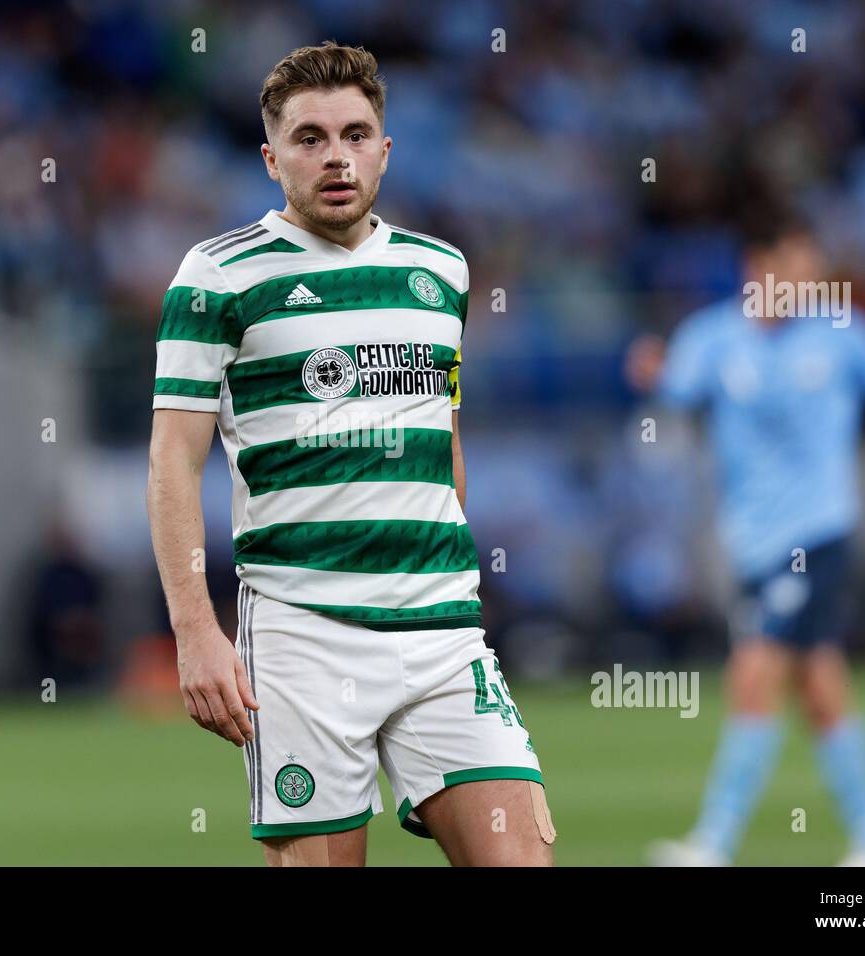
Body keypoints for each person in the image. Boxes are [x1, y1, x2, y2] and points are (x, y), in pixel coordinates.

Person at [146, 42, 553, 867]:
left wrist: (458, 580)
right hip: (304, 633)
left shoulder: (439, 271)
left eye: (356, 133)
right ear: (271, 157)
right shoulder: (217, 278)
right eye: (309, 138)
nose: (337, 155)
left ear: (385, 149)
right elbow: (171, 464)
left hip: (441, 632)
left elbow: (443, 442)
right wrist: (195, 631)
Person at [628, 215, 865, 866]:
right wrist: (649, 370)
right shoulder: (713, 338)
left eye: (813, 268)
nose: (810, 281)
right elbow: (672, 388)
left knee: (755, 675)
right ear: (757, 269)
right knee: (821, 687)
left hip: (819, 535)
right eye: (796, 267)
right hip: (749, 545)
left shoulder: (844, 337)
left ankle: (712, 843)